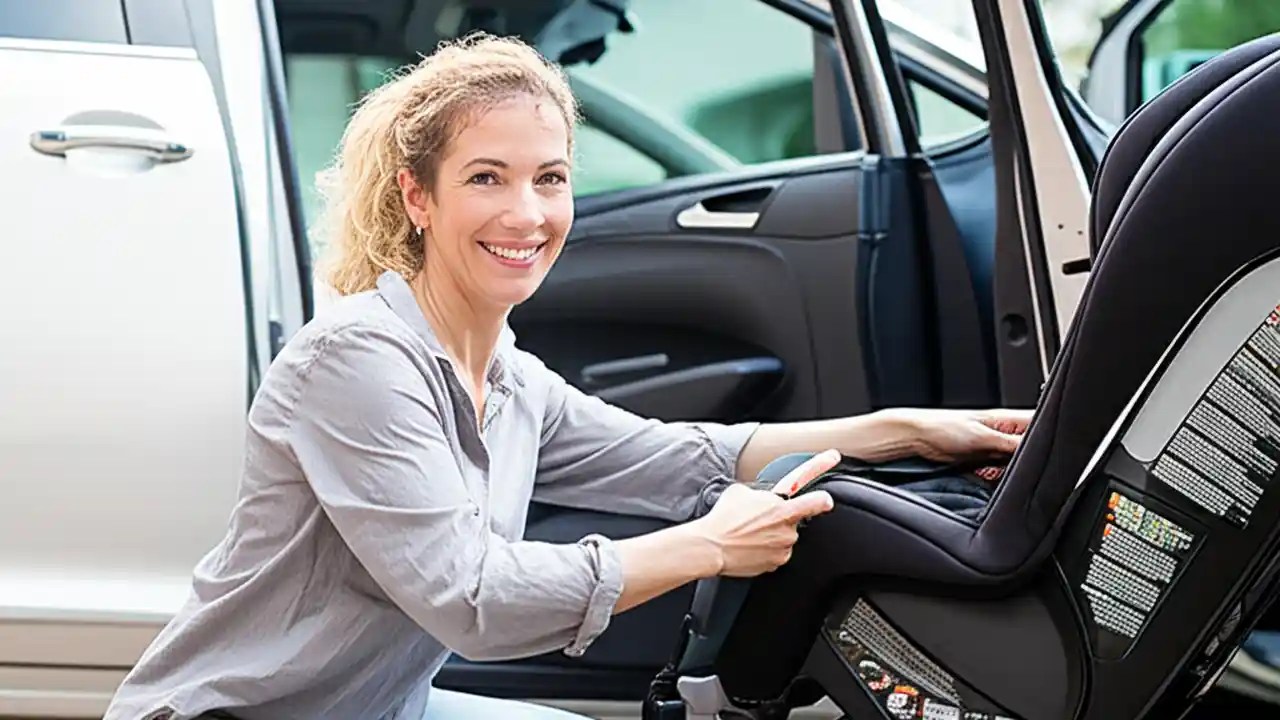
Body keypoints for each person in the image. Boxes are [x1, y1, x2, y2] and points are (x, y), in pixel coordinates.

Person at [102, 33, 1031, 720]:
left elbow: (681, 457)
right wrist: (711, 545)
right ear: (415, 198)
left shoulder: (506, 376)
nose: (527, 211)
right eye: (486, 178)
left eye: (550, 178)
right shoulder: (357, 365)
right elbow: (473, 602)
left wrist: (898, 430)